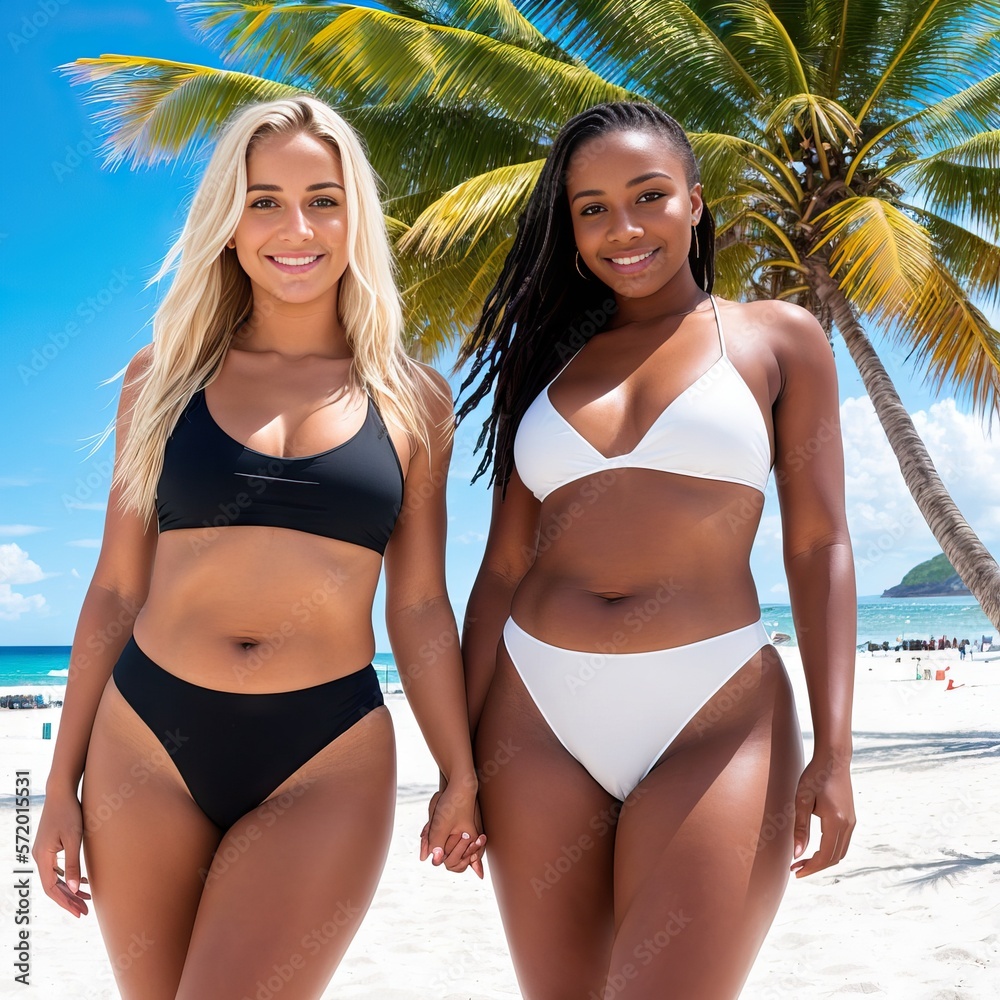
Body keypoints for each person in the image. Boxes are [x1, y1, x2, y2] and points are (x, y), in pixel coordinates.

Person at [32, 95, 483, 999]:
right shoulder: (162, 379)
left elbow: (420, 604)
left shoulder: (413, 398)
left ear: (356, 217)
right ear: (228, 224)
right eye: (264, 200)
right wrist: (58, 785)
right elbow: (117, 588)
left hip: (326, 755)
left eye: (323, 200)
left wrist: (459, 771)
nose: (296, 228)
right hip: (145, 743)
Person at [456, 102, 856, 999]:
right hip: (534, 716)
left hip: (713, 710)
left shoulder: (776, 337)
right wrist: (458, 764)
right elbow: (502, 570)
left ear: (695, 202)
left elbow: (819, 541)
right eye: (592, 209)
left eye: (648, 196)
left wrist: (835, 750)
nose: (624, 229)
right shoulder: (543, 361)